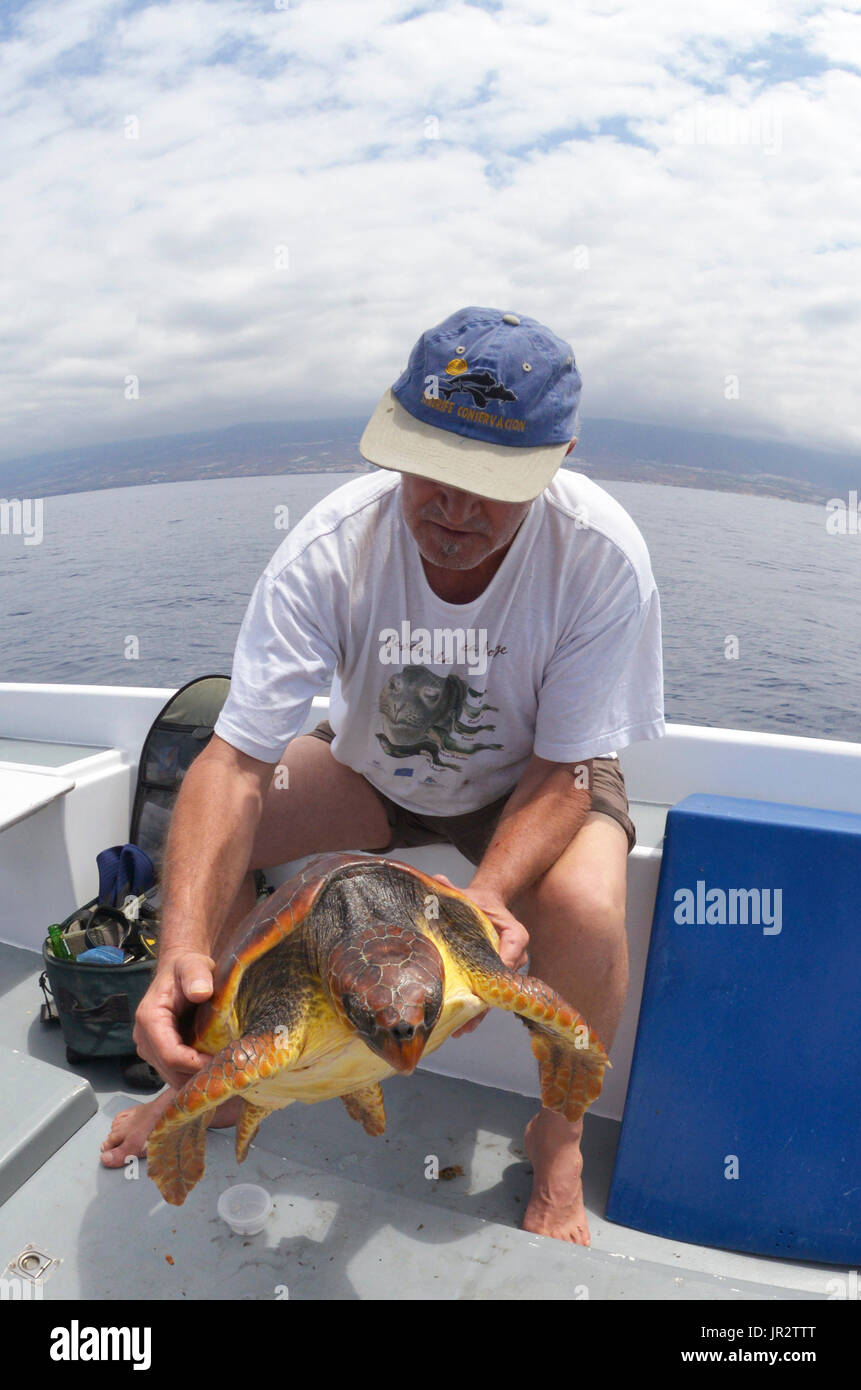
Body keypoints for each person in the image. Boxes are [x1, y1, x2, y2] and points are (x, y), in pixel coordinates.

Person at [101, 305, 665, 1245]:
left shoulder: (601, 558)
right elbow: (235, 760)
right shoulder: (331, 546)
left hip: (534, 784)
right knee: (218, 836)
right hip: (376, 770)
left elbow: (570, 767)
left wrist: (475, 905)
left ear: (562, 455)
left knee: (589, 909)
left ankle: (557, 1135)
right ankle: (214, 1074)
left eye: (488, 484)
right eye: (430, 468)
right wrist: (176, 953)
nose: (452, 508)